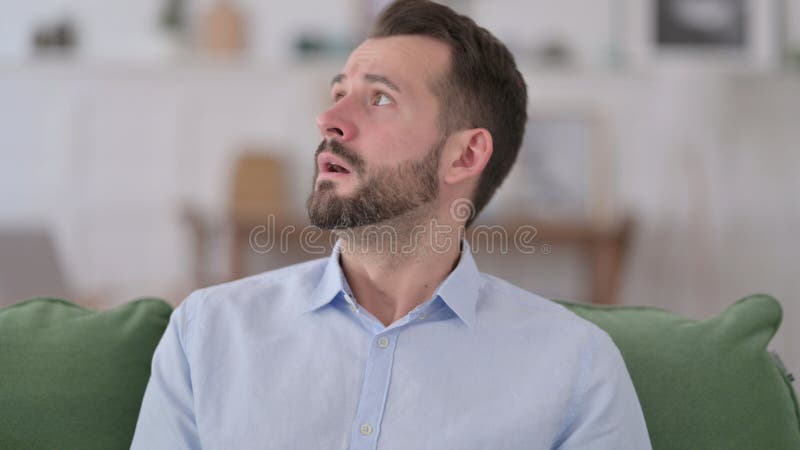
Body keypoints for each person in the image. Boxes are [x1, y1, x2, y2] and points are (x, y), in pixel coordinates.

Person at [131, 1, 651, 448]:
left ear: (465, 154)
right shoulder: (205, 335)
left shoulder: (578, 369)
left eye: (379, 98)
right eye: (339, 91)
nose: (330, 119)